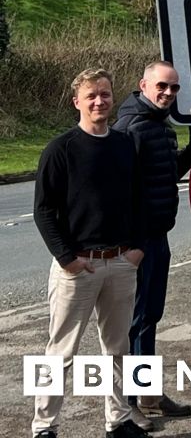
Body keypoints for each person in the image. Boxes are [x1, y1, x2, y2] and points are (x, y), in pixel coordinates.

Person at [32, 68, 150, 438]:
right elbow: (43, 211)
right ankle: (44, 427)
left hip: (120, 262)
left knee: (117, 349)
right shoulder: (60, 149)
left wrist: (137, 249)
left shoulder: (124, 145)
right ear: (77, 102)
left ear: (113, 98)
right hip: (77, 266)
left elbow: (139, 201)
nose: (99, 101)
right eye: (91, 96)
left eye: (105, 94)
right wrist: (67, 258)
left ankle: (118, 421)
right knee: (60, 351)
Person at [112, 61, 191, 429]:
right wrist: (131, 244)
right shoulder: (131, 126)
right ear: (144, 85)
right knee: (134, 323)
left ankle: (147, 393)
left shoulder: (160, 125)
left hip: (158, 236)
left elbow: (165, 175)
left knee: (149, 318)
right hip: (137, 242)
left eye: (174, 88)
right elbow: (118, 189)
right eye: (162, 86)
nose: (168, 93)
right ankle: (128, 403)